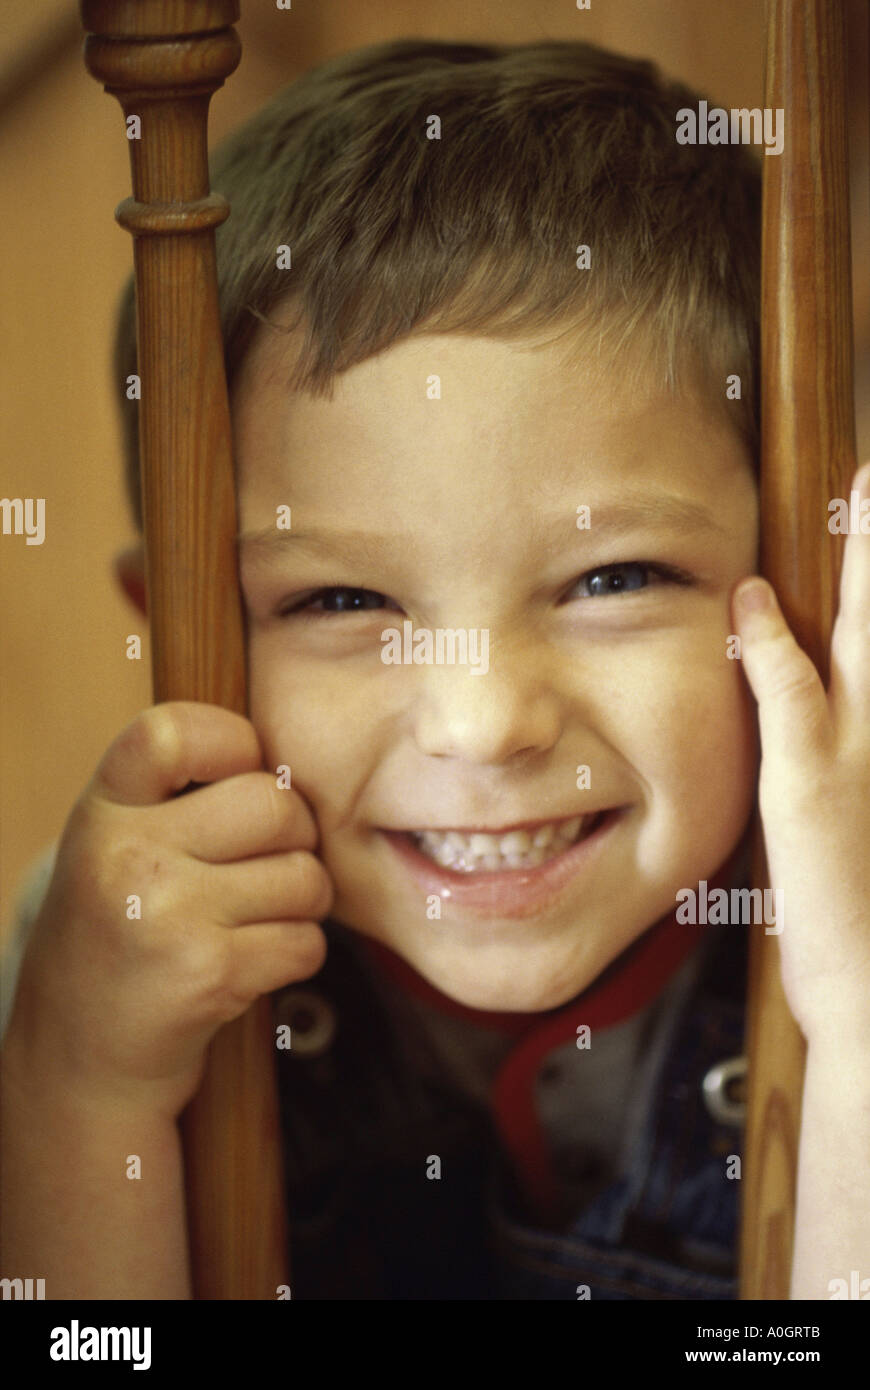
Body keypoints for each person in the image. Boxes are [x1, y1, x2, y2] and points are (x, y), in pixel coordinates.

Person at [2, 38, 868, 1301]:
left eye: (613, 579)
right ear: (184, 633)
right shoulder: (125, 946)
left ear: (819, 586)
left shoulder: (840, 910)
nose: (482, 723)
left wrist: (854, 1023)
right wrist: (80, 1089)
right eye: (343, 599)